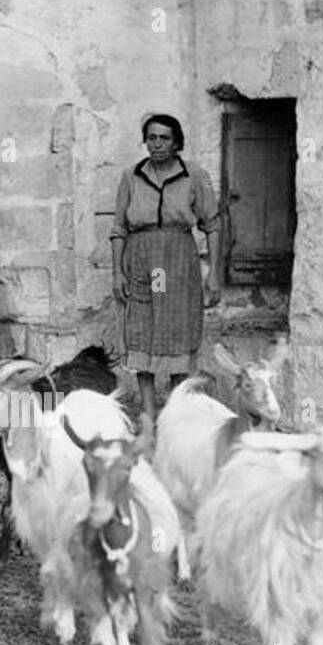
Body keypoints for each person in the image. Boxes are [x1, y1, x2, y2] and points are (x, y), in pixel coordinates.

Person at [110, 112, 222, 425]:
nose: (157, 144)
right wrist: (117, 273)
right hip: (142, 259)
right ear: (145, 141)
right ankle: (147, 412)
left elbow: (212, 224)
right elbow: (119, 228)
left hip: (177, 259)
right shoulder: (131, 176)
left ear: (177, 143)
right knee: (142, 326)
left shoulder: (194, 176)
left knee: (177, 328)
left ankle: (175, 409)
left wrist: (213, 272)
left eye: (165, 138)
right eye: (152, 137)